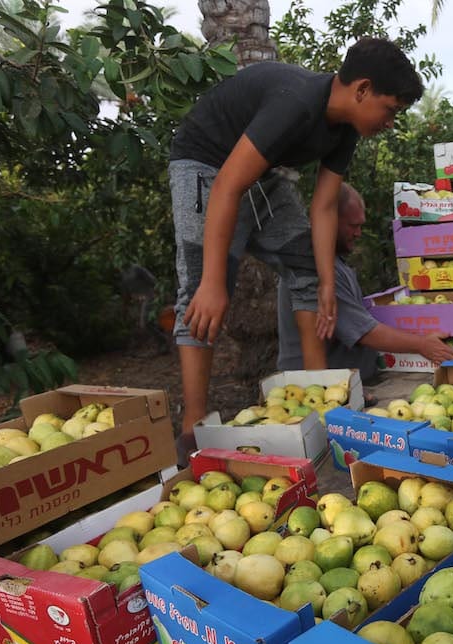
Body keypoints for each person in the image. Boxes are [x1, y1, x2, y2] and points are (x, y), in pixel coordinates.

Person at [167, 38, 424, 460]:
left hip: (259, 174)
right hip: (206, 164)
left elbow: (324, 207)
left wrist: (325, 281)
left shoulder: (345, 129)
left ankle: (318, 395)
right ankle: (192, 430)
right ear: (362, 90)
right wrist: (214, 282)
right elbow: (228, 184)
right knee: (199, 291)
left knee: (306, 262)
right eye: (390, 110)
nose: (390, 122)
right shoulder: (297, 103)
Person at [277, 183, 453, 384]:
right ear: (329, 221)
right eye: (353, 225)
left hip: (348, 386)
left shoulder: (334, 263)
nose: (358, 233)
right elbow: (363, 331)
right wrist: (422, 345)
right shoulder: (315, 268)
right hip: (318, 389)